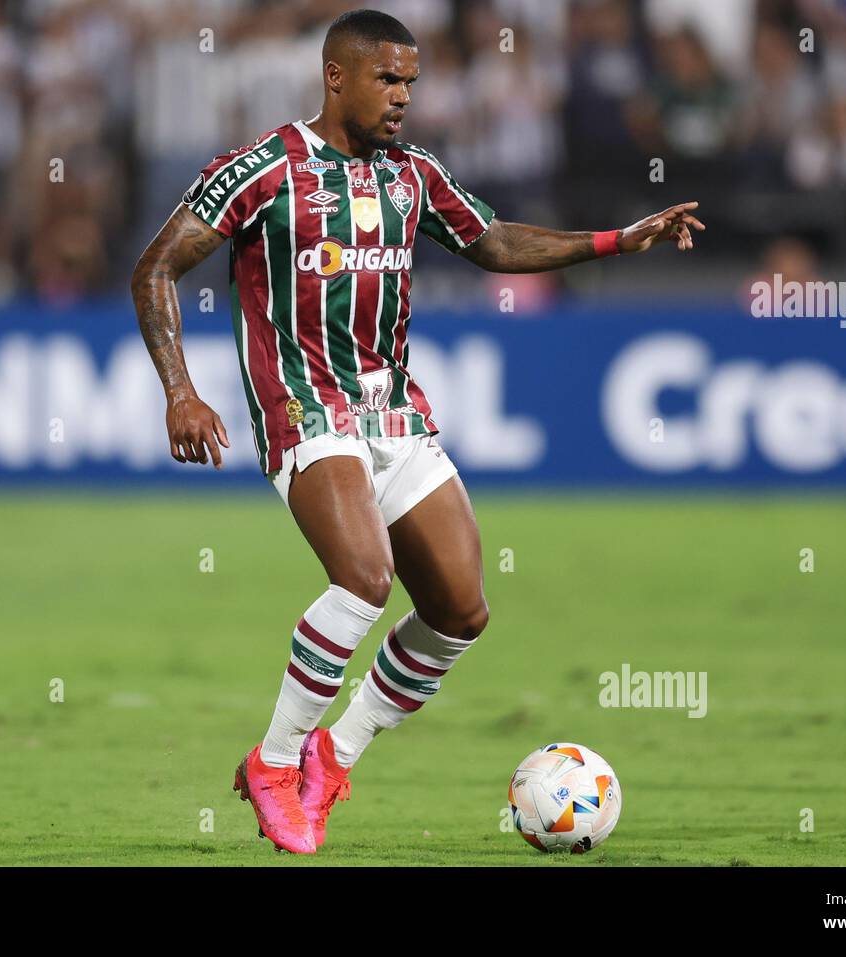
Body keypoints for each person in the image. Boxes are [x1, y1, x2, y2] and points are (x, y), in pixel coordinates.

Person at [130, 9, 703, 855]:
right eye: (387, 79)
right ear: (337, 76)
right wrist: (179, 390)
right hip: (304, 406)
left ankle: (335, 752)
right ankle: (276, 759)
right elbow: (156, 267)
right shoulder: (264, 170)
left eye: (411, 82)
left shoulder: (413, 175)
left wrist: (618, 240)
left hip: (392, 409)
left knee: (461, 610)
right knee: (365, 578)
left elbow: (494, 241)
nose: (402, 96)